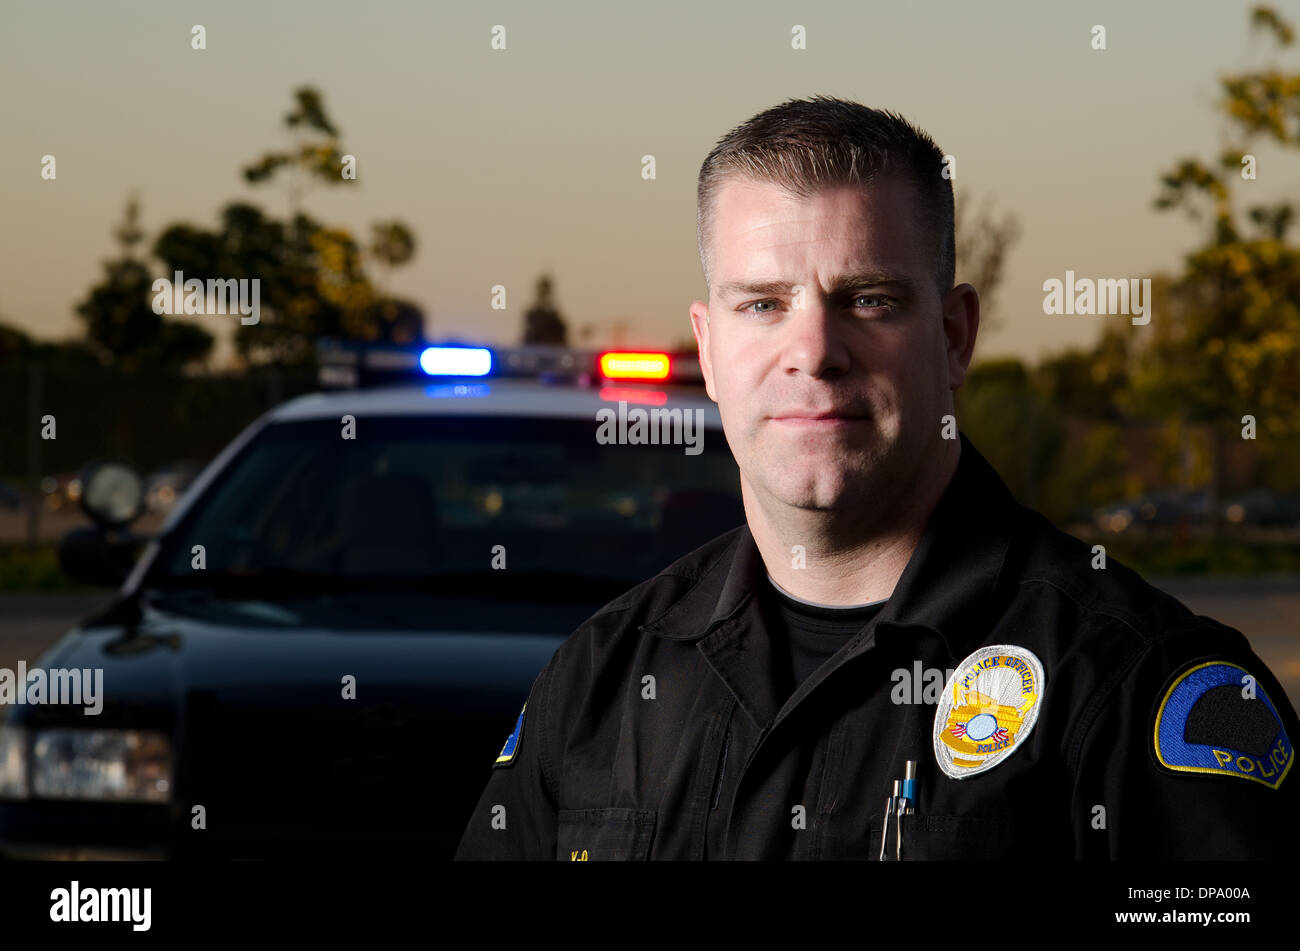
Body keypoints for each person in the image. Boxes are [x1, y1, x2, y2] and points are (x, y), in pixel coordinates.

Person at [454, 95, 1298, 860]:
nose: (814, 352)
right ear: (708, 351)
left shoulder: (1134, 685)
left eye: (868, 299)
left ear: (955, 334)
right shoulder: (601, 678)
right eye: (763, 304)